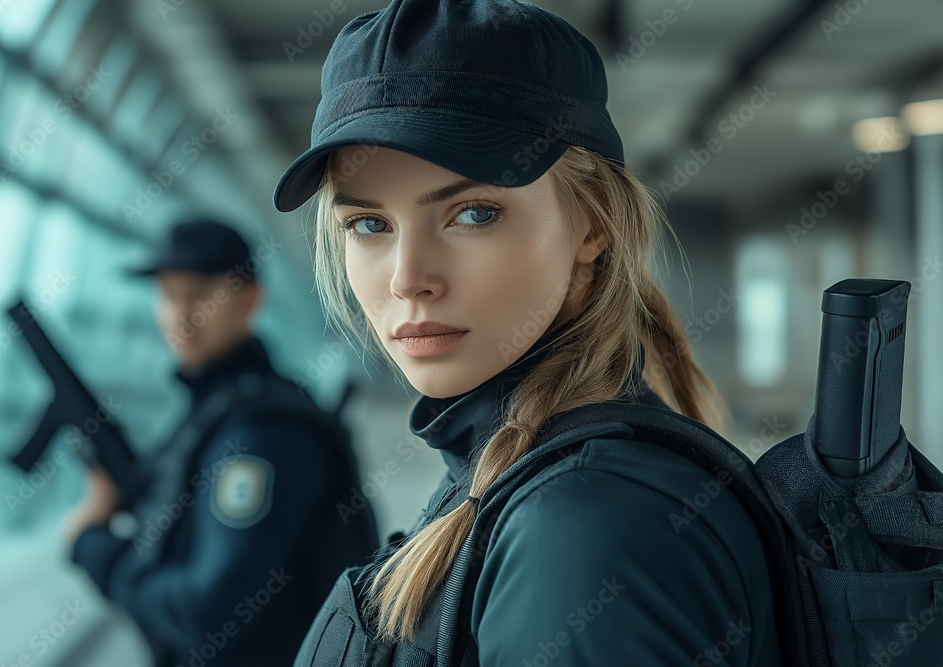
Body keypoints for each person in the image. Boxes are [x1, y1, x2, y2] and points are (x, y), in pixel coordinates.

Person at [272, 0, 781, 665]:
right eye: (369, 225)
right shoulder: (519, 479)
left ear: (592, 226)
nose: (407, 278)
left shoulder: (587, 531)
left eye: (473, 212)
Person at [63, 218, 379, 666]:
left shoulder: (261, 437)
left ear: (250, 299)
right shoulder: (219, 409)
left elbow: (207, 612)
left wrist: (92, 543)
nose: (180, 314)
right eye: (168, 294)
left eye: (199, 294)